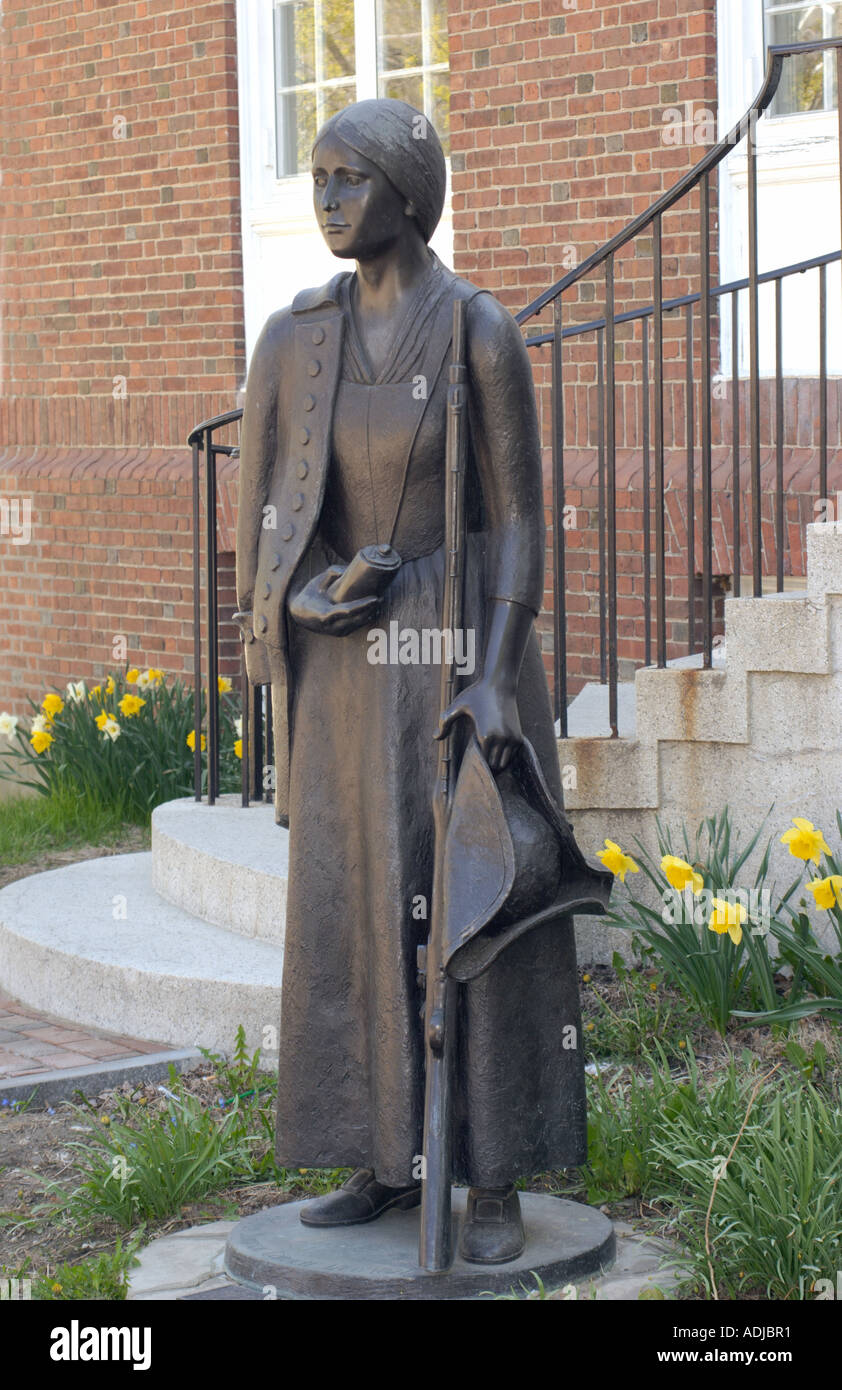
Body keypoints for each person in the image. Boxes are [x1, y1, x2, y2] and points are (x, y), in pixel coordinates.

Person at [235, 98, 595, 1265]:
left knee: (475, 905)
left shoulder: (476, 332)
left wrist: (493, 678)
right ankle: (378, 1154)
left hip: (455, 657)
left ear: (407, 191)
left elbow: (521, 525)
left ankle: (492, 1172)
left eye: (351, 179)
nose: (329, 199)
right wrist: (304, 596)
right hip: (350, 669)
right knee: (352, 898)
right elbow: (277, 524)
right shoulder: (298, 340)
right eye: (318, 177)